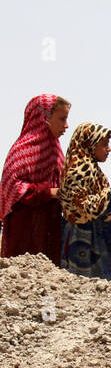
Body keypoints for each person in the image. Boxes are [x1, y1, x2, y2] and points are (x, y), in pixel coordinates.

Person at [56, 122, 111, 283]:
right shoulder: (78, 171)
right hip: (85, 238)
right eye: (104, 144)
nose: (109, 149)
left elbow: (101, 207)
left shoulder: (93, 169)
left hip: (101, 234)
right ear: (89, 144)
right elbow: (85, 208)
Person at [1, 94, 69, 264]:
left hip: (50, 227)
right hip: (24, 231)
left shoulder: (56, 150)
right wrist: (48, 192)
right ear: (44, 118)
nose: (66, 125)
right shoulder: (22, 151)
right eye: (62, 119)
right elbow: (11, 188)